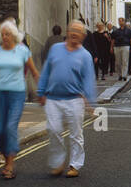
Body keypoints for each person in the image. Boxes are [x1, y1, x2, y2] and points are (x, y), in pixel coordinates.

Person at [37, 20, 97, 178]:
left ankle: (75, 165)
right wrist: (41, 91)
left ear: (83, 36)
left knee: (76, 134)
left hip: (74, 100)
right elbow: (46, 71)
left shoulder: (85, 56)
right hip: (52, 98)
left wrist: (91, 102)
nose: (75, 34)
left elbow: (88, 80)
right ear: (67, 32)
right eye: (72, 30)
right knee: (53, 130)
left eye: (78, 31)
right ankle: (58, 163)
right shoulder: (55, 49)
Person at [0, 19, 39, 178]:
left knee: (10, 127)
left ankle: (10, 164)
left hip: (17, 93)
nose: (5, 37)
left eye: (8, 34)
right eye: (3, 34)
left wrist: (41, 93)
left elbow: (34, 72)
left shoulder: (22, 51)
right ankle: (4, 151)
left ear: (14, 35)